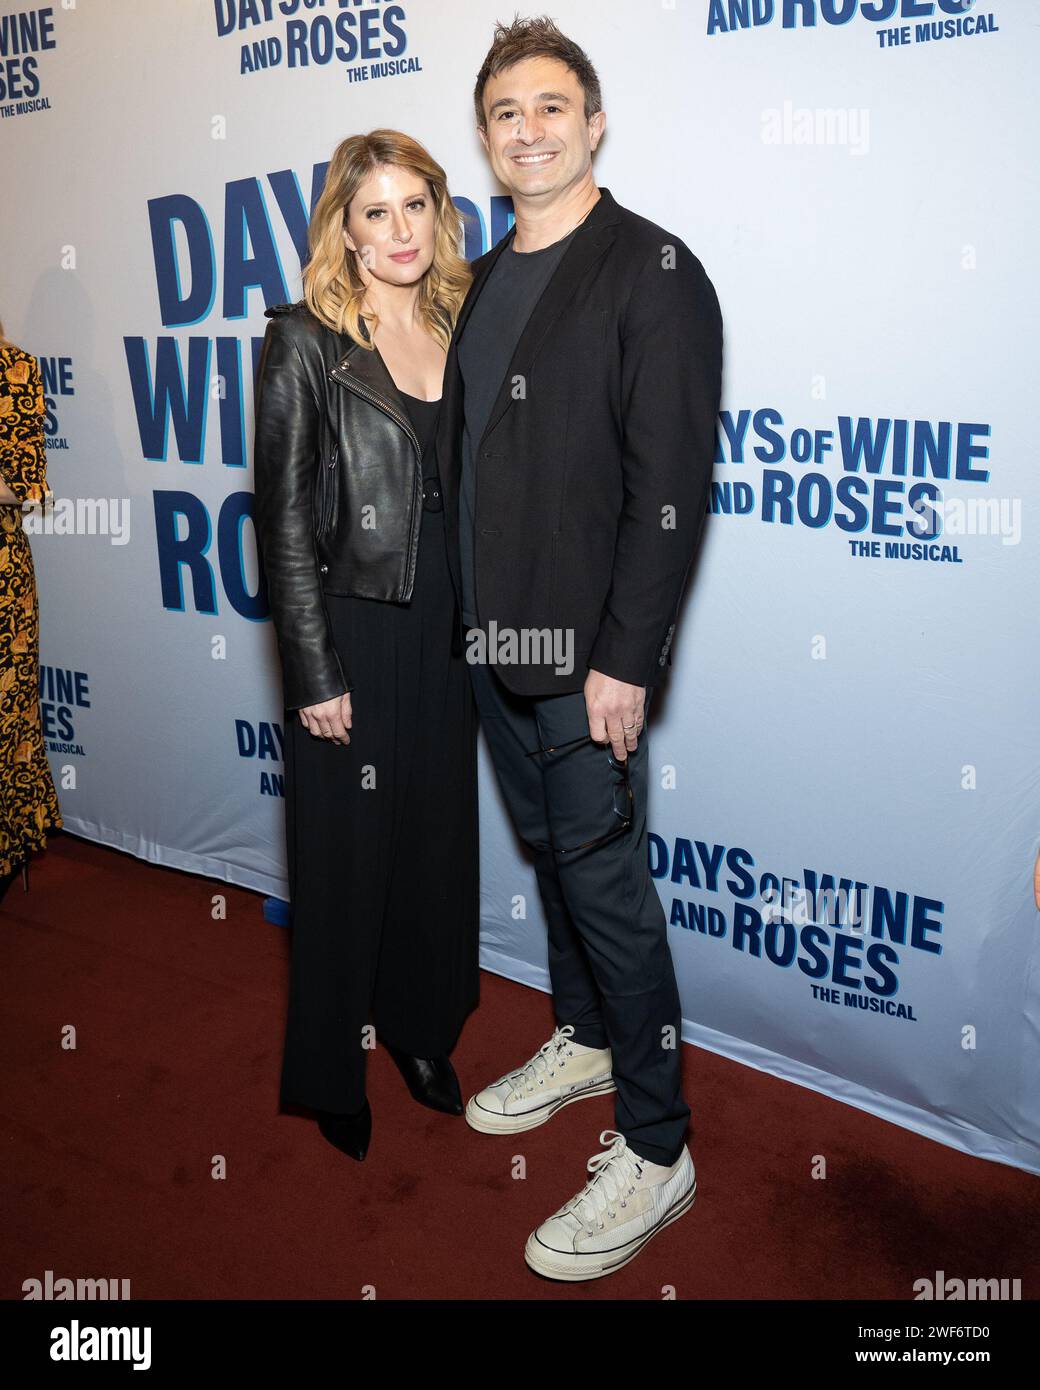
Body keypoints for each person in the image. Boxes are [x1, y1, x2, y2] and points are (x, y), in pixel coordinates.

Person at [435, 18, 724, 1278]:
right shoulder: (488, 278)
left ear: (593, 123)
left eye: (551, 107)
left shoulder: (653, 271)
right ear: (486, 141)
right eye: (505, 113)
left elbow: (672, 484)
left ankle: (657, 1148)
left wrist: (627, 656)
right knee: (555, 866)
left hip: (586, 661)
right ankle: (588, 1038)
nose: (528, 130)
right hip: (494, 640)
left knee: (610, 897)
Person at [252, 131, 477, 1163]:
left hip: (449, 632)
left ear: (439, 213)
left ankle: (420, 1033)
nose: (397, 231)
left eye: (414, 207)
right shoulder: (304, 340)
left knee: (432, 846)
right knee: (343, 866)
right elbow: (283, 518)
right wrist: (312, 669)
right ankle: (333, 1069)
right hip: (351, 625)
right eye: (374, 211)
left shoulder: (463, 320)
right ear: (342, 228)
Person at [0, 319, 61, 906]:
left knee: (5, 727)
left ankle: (9, 845)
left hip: (2, 591)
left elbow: (25, 485)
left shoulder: (15, 369)